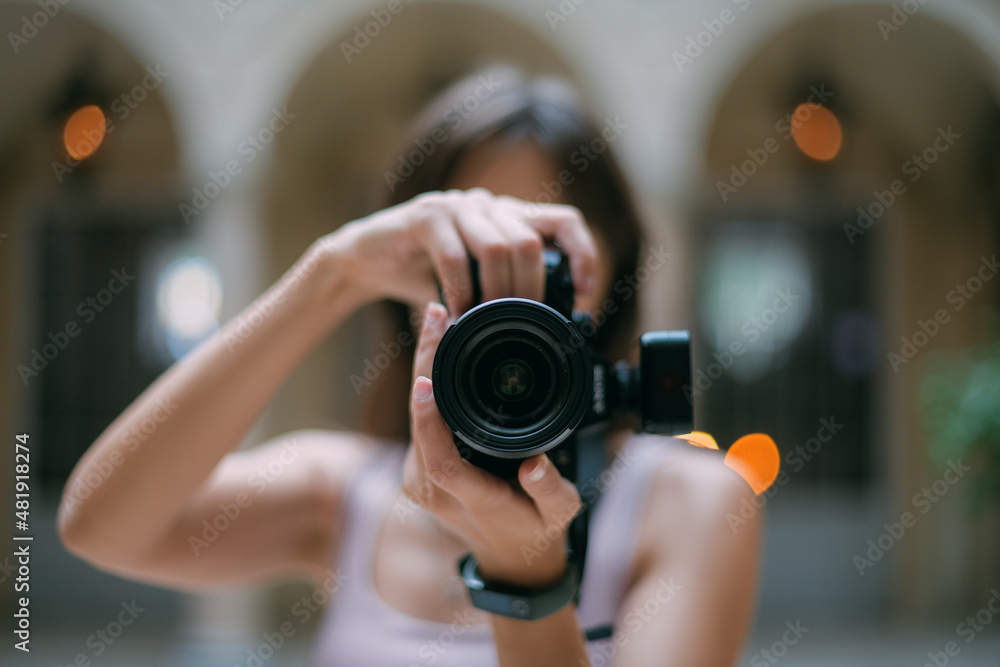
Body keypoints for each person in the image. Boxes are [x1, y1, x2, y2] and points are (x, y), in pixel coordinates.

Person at [58, 67, 762, 667]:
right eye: (474, 248)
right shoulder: (341, 490)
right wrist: (331, 274)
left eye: (546, 245)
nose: (510, 285)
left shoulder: (690, 503)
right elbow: (99, 525)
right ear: (410, 273)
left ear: (613, 268)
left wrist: (526, 580)